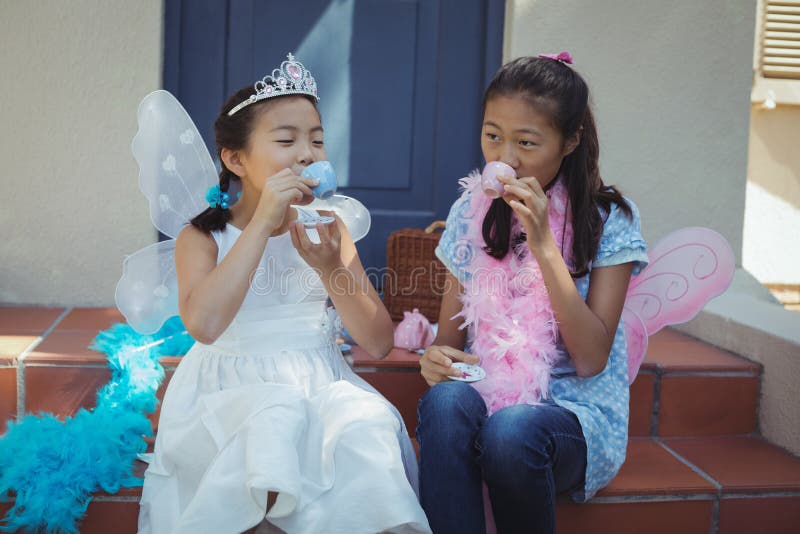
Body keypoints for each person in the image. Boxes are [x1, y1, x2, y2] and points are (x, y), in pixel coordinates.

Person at [138, 54, 431, 534]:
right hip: (229, 392)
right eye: (285, 140)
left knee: (364, 426)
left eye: (317, 140)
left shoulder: (329, 230)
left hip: (320, 382)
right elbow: (205, 325)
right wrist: (261, 226)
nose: (307, 154)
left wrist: (332, 267)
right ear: (236, 160)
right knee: (271, 428)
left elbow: (378, 341)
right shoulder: (203, 239)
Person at [416, 52, 648, 534]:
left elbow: (590, 358)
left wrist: (544, 246)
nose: (505, 158)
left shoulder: (609, 221)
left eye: (526, 142)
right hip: (490, 392)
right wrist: (436, 361)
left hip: (573, 416)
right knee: (442, 404)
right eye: (492, 136)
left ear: (570, 140)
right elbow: (450, 346)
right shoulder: (469, 211)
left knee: (512, 430)